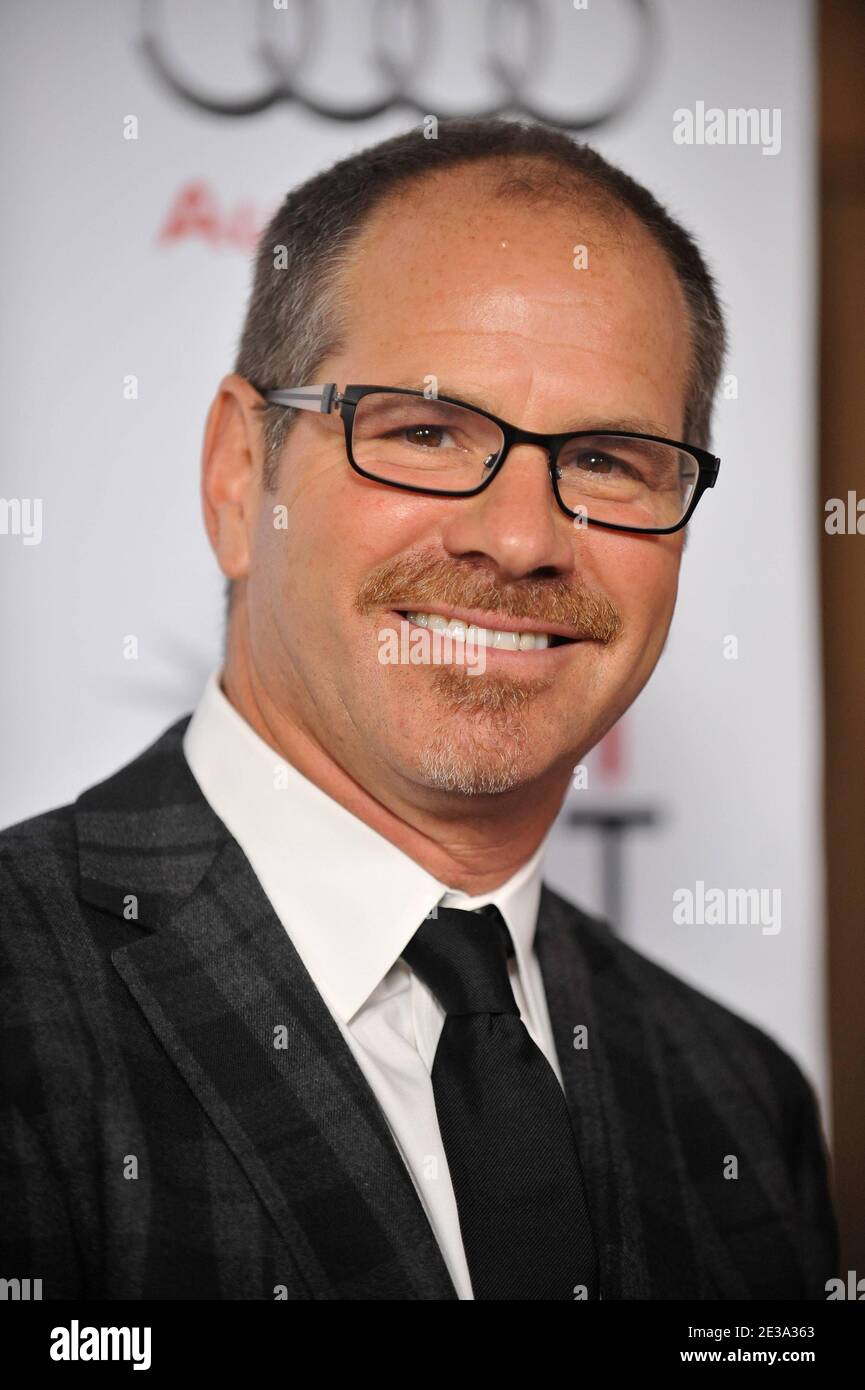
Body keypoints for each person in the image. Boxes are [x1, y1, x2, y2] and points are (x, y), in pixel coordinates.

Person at [0, 119, 838, 1300]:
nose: (519, 538)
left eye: (605, 459)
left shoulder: (742, 1100)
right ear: (242, 475)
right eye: (427, 432)